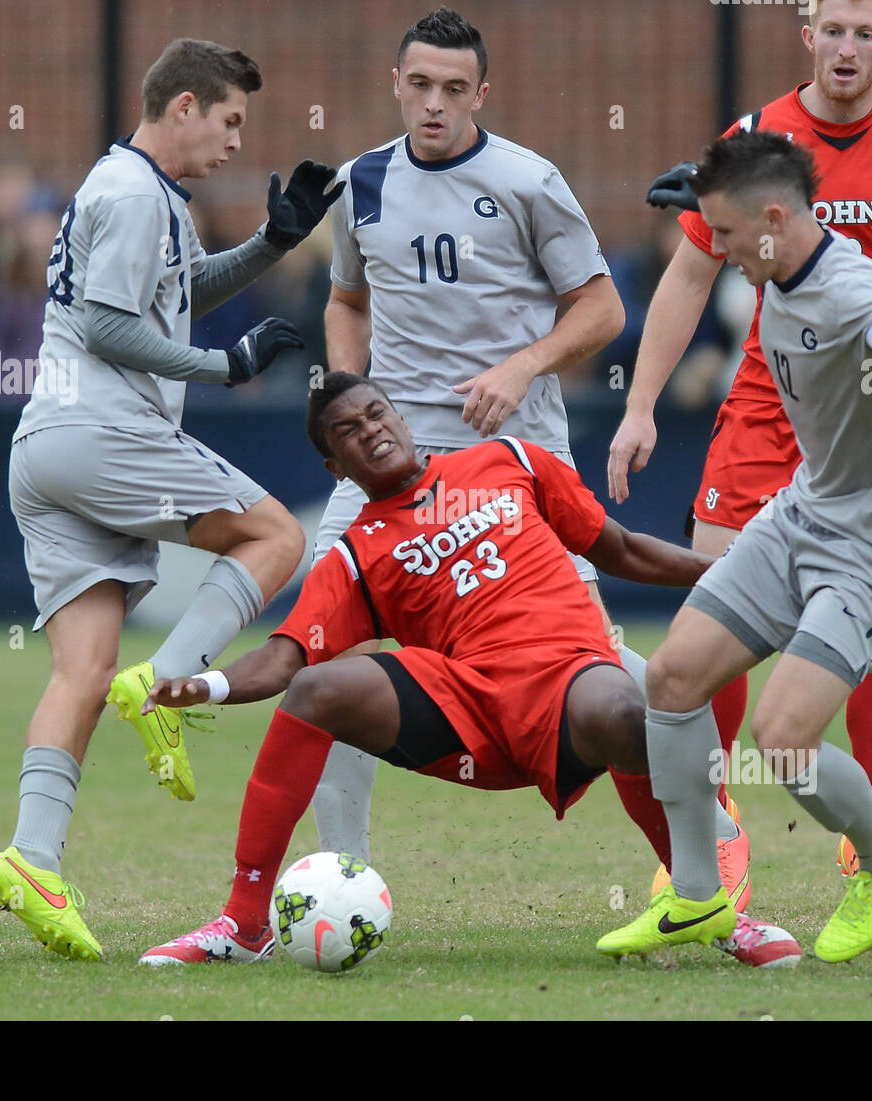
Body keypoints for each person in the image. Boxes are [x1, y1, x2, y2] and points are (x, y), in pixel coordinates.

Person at [135, 372, 801, 970]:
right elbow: (283, 659)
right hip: (466, 706)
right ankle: (245, 923)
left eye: (377, 414)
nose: (371, 431)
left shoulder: (509, 460)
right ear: (336, 465)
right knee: (317, 687)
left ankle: (710, 908)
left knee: (630, 715)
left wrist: (728, 574)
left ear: (401, 419)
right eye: (350, 431)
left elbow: (620, 549)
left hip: (566, 675)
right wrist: (209, 683)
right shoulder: (356, 554)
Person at [312, 8, 748, 908]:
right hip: (395, 463)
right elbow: (347, 302)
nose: (435, 104)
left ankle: (708, 851)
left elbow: (601, 310)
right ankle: (333, 883)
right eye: (420, 85)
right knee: (324, 662)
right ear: (396, 84)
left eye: (454, 89)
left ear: (482, 93)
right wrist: (351, 403)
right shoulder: (361, 183)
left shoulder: (525, 180)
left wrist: (521, 366)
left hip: (511, 455)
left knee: (592, 662)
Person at [607, 0, 872, 890]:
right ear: (805, 34)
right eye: (833, 29)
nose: (847, 47)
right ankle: (719, 827)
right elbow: (690, 271)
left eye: (866, 33)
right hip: (770, 396)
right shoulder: (754, 140)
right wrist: (643, 405)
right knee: (714, 598)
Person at [0, 38, 344, 961]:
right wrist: (224, 367)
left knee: (81, 671)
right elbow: (110, 326)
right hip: (102, 431)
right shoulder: (140, 192)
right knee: (273, 537)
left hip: (45, 448)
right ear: (183, 106)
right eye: (229, 122)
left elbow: (169, 297)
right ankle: (173, 681)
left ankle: (32, 857)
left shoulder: (130, 187)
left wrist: (272, 244)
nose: (234, 144)